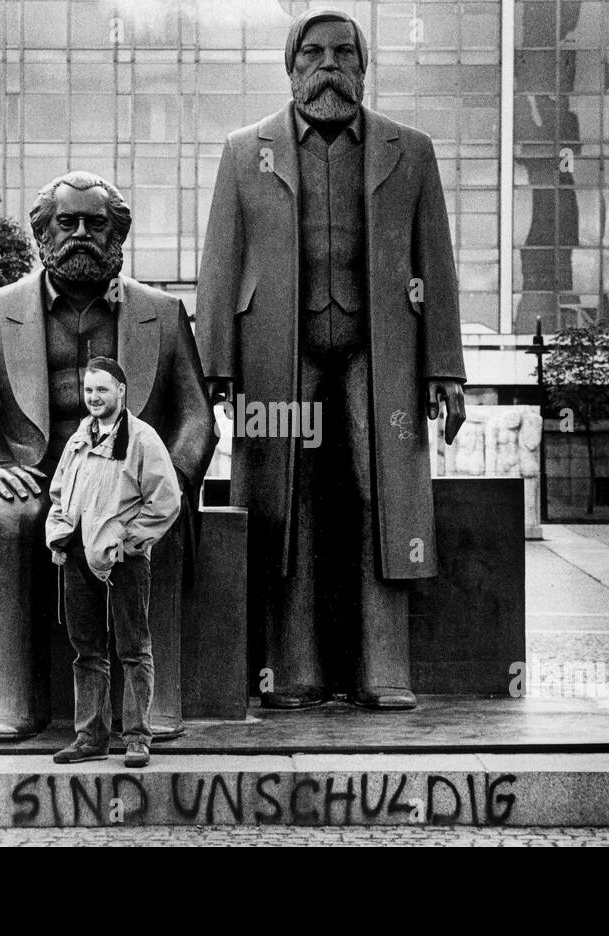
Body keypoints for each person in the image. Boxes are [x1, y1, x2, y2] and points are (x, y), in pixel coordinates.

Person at [196, 8, 467, 711]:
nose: (328, 66)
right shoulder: (242, 151)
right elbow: (221, 263)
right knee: (291, 499)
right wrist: (214, 364)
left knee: (383, 491)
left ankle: (384, 668)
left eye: (343, 53)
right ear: (290, 68)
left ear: (364, 66)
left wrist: (445, 366)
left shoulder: (410, 149)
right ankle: (294, 671)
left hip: (381, 353)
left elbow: (433, 261)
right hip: (275, 355)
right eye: (312, 53)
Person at [0, 171, 215, 741]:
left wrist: (170, 475)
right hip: (35, 477)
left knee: (153, 515)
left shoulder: (162, 313)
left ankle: (152, 702)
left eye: (97, 224)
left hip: (127, 476)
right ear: (43, 233)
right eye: (67, 223)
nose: (82, 235)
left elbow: (197, 417)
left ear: (117, 233)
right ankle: (7, 698)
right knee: (8, 514)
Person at [45, 357, 181, 768]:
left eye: (102, 389)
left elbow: (166, 500)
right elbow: (59, 494)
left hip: (125, 561)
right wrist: (58, 532)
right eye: (89, 390)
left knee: (134, 650)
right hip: (77, 558)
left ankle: (138, 737)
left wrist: (128, 539)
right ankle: (91, 737)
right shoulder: (78, 439)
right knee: (86, 650)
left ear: (121, 390)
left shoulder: (142, 438)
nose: (94, 398)